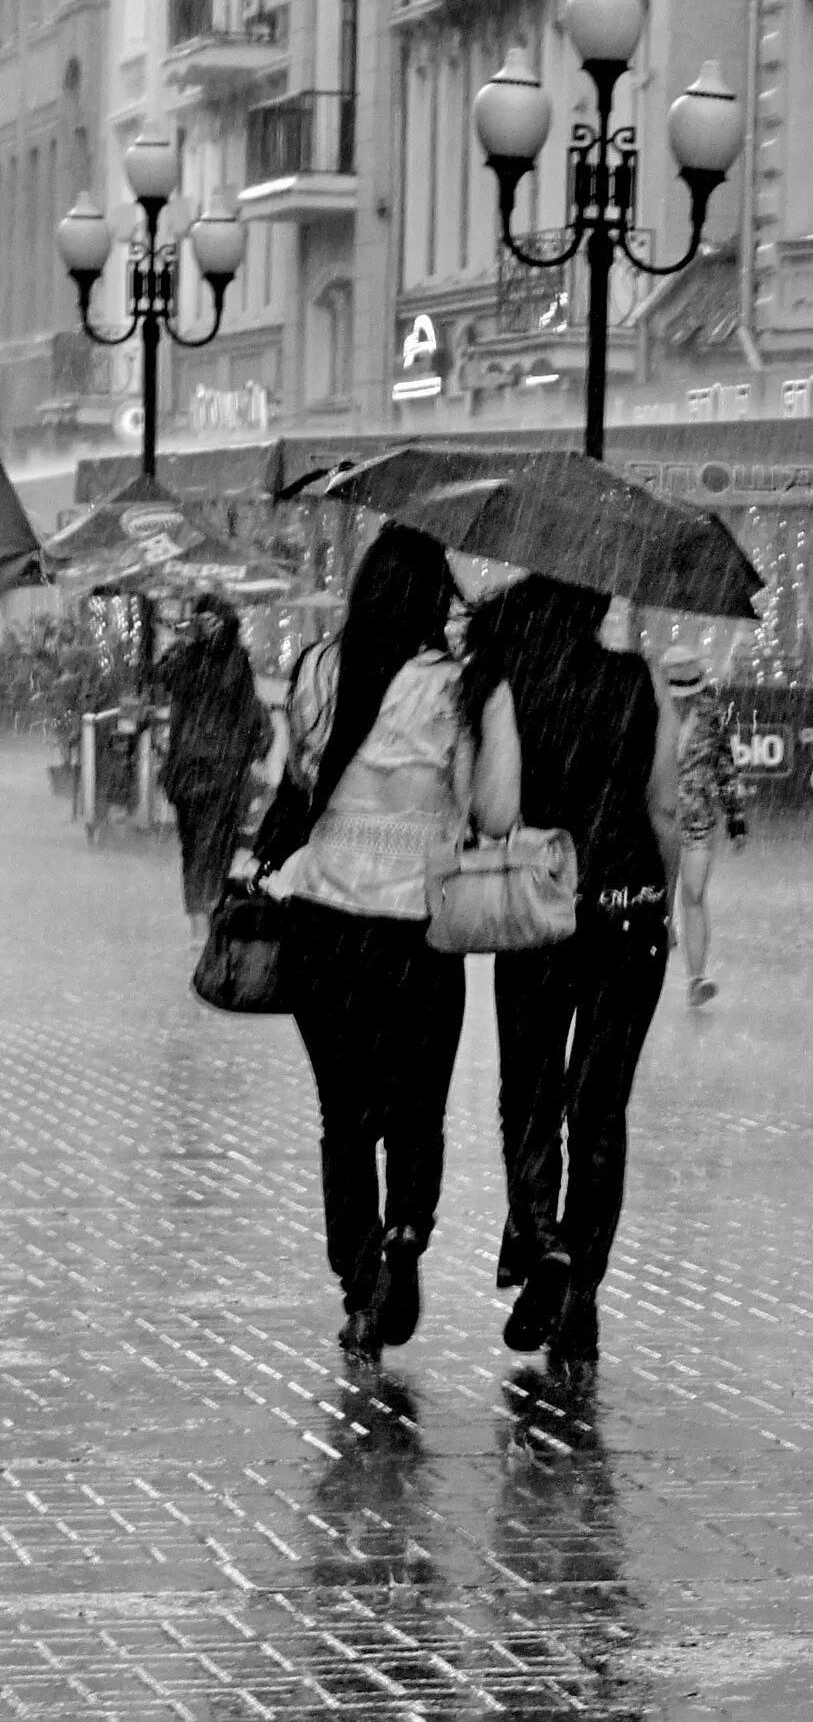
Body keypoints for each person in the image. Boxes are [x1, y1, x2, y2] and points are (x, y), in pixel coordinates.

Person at [261, 527, 472, 1361]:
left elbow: (297, 783)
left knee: (343, 1116)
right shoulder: (453, 688)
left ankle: (357, 1279)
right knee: (416, 1112)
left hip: (326, 926)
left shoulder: (316, 670)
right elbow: (483, 808)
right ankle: (404, 1238)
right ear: (432, 599)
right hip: (419, 932)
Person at [463, 575, 681, 1368]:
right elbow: (664, 806)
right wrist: (666, 901)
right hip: (630, 912)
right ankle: (582, 1295)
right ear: (598, 609)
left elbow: (495, 812)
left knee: (531, 1094)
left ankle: (545, 1244)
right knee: (600, 1110)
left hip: (541, 913)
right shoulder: (641, 678)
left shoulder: (511, 685)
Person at [157, 595, 271, 951]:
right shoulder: (189, 657)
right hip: (195, 771)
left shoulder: (233, 660)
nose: (207, 629)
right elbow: (161, 677)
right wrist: (183, 642)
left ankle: (203, 923)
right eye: (201, 621)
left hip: (217, 771)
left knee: (209, 848)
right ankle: (201, 922)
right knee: (199, 847)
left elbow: (247, 711)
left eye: (212, 622)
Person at [660, 645, 748, 1006]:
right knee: (655, 902)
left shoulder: (712, 715)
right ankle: (647, 965)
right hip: (657, 822)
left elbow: (725, 766)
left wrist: (736, 818)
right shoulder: (650, 713)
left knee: (693, 895)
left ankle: (697, 978)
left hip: (697, 821)